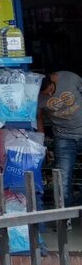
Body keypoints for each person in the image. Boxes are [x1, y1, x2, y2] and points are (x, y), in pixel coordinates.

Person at [38, 70, 82, 208]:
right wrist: (41, 141)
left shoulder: (70, 78)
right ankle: (65, 216)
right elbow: (38, 118)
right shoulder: (36, 97)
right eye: (46, 94)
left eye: (51, 90)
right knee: (63, 179)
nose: (50, 95)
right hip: (64, 137)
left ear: (52, 80)